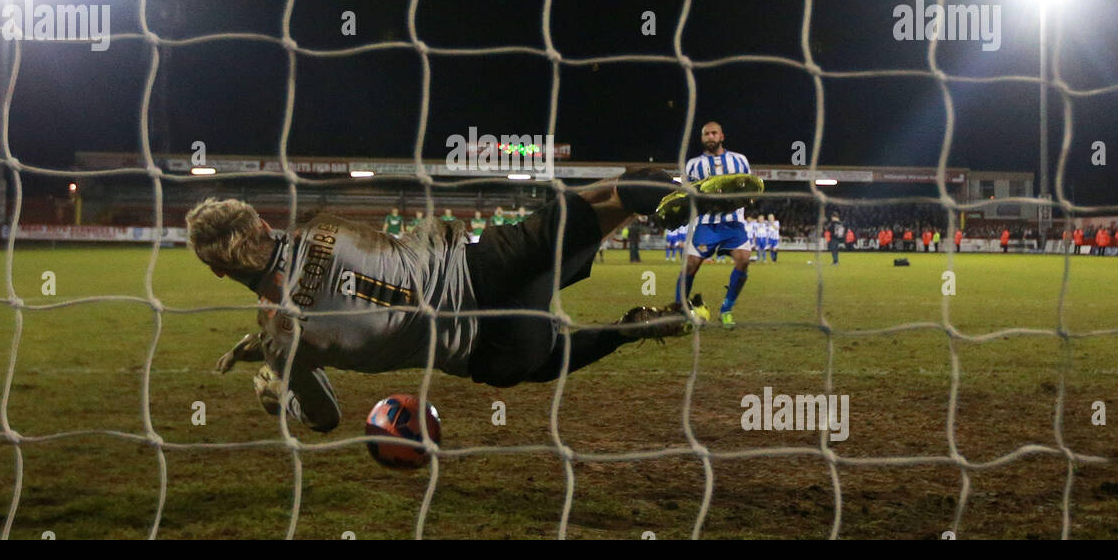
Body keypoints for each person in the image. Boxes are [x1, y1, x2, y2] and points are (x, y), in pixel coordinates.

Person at [186, 169, 744, 430]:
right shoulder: (321, 226)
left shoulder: (285, 339)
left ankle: (632, 328)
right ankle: (669, 199)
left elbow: (325, 414)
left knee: (546, 360)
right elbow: (336, 285)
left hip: (486, 348)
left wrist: (279, 384)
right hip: (490, 268)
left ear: (214, 271)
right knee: (605, 195)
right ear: (263, 221)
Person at [669, 120, 761, 329]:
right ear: (702, 138)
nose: (710, 137)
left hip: (733, 224)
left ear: (722, 136)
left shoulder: (740, 160)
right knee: (691, 264)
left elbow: (749, 187)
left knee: (744, 259)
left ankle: (726, 309)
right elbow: (686, 195)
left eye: (714, 133)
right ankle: (680, 309)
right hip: (706, 224)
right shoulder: (692, 165)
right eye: (706, 134)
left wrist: (748, 198)